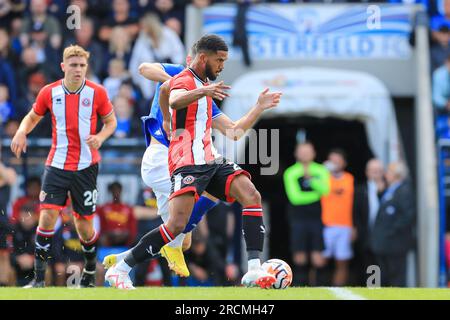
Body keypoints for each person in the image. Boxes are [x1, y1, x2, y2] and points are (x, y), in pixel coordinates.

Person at [105, 34, 282, 289]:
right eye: (219, 60)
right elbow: (174, 97)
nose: (222, 66)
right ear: (202, 58)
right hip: (185, 161)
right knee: (176, 227)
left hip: (209, 159)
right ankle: (123, 267)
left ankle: (254, 269)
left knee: (250, 194)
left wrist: (258, 107)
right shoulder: (185, 80)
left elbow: (233, 130)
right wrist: (187, 102)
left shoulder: (205, 92)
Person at [10, 44, 117, 288]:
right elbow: (33, 116)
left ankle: (89, 275)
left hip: (86, 167)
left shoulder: (97, 93)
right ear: (63, 66)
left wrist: (100, 137)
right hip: (57, 165)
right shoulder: (49, 92)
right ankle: (38, 280)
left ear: (86, 67)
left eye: (82, 65)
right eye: (73, 65)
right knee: (46, 218)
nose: (78, 70)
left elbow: (111, 122)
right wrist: (21, 131)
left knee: (84, 225)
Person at [283, 141, 330, 286]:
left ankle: (319, 286)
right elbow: (295, 198)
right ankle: (300, 286)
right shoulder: (290, 172)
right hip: (298, 219)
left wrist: (312, 181)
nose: (304, 154)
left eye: (307, 151)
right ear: (296, 154)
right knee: (299, 255)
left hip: (317, 218)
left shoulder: (321, 170)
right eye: (302, 151)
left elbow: (326, 191)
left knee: (318, 256)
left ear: (314, 153)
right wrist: (316, 195)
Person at [370, 161, 415, 287]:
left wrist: (389, 231)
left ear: (396, 175)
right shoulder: (390, 189)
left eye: (388, 171)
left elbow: (407, 216)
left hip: (395, 244)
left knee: (396, 278)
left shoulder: (404, 190)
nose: (385, 174)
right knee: (384, 277)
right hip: (385, 243)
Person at [321, 149, 355, 286]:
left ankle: (338, 289)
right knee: (320, 261)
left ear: (344, 163)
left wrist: (354, 226)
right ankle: (316, 289)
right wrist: (322, 172)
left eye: (337, 161)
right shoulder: (322, 178)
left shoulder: (349, 179)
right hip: (326, 225)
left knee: (342, 262)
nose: (334, 163)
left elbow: (355, 204)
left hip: (345, 226)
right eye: (332, 160)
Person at [352, 158, 386, 286]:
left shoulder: (388, 189)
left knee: (382, 264)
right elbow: (355, 212)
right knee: (367, 263)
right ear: (367, 172)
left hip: (384, 235)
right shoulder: (360, 190)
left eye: (378, 171)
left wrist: (382, 192)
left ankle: (378, 288)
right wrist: (356, 229)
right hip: (366, 233)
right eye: (373, 171)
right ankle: (371, 288)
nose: (376, 174)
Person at [0, 152, 17, 286]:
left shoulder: (6, 166)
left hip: (2, 220)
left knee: (4, 255)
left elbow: (10, 178)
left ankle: (3, 287)